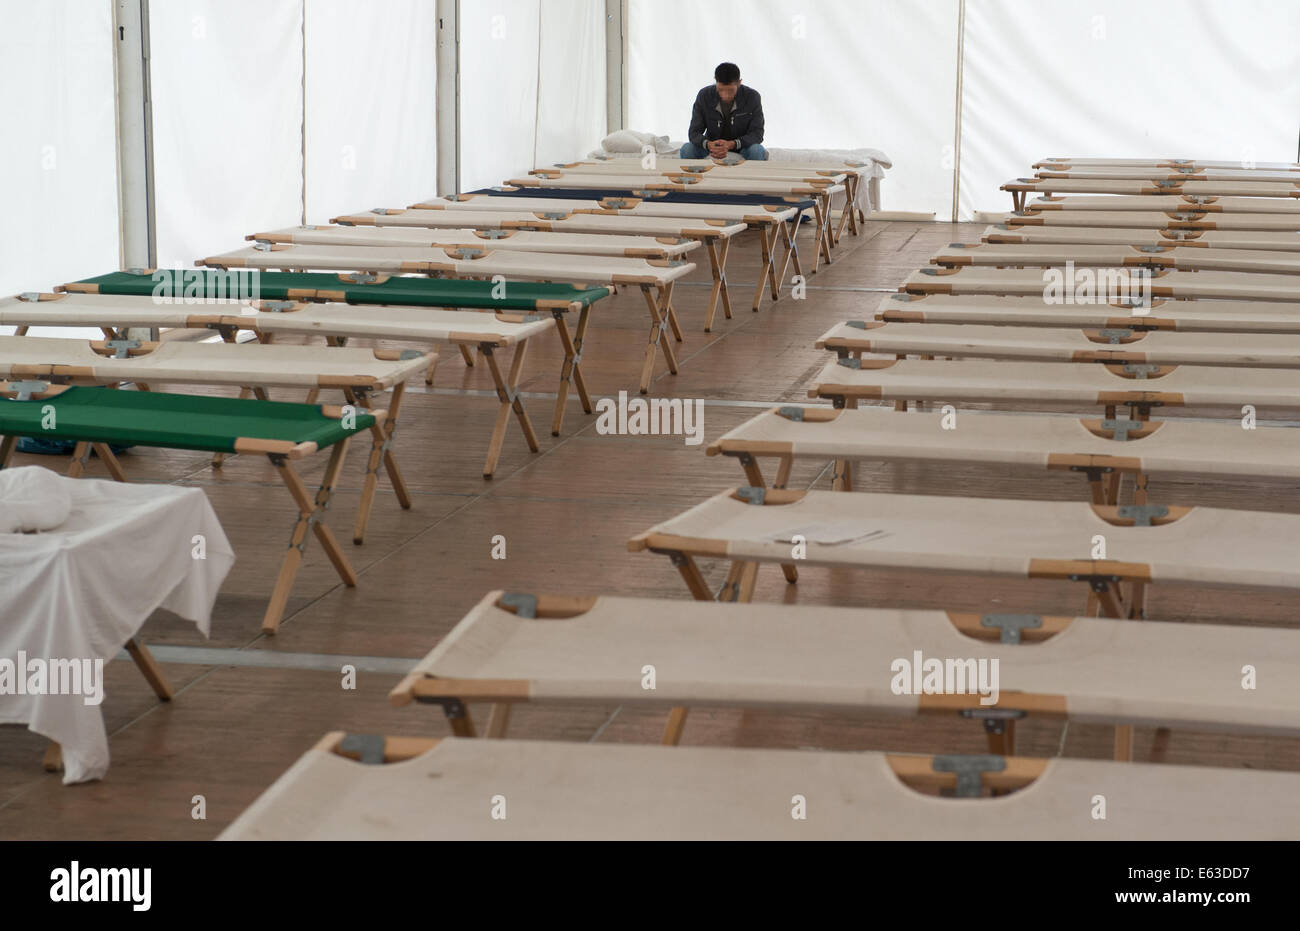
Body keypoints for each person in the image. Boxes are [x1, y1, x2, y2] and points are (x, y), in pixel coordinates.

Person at [680, 62, 767, 161]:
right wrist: (709, 144)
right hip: (711, 145)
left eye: (730, 90)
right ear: (715, 82)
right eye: (720, 89)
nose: (725, 95)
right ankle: (692, 177)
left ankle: (751, 177)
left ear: (739, 83)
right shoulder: (704, 95)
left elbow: (757, 133)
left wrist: (732, 144)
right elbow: (694, 132)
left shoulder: (752, 97)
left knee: (757, 150)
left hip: (742, 146)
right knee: (687, 149)